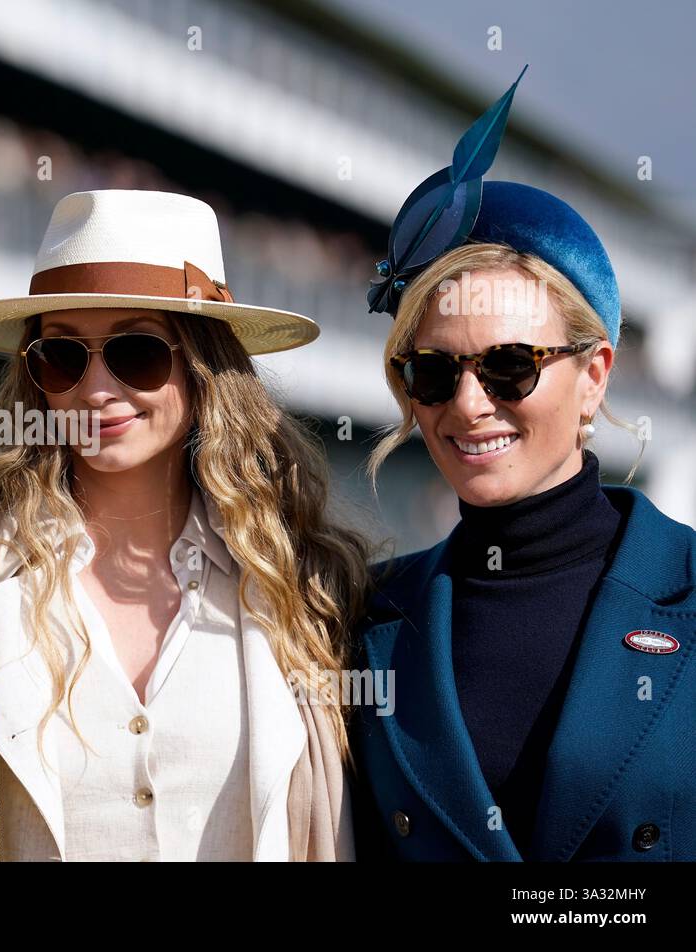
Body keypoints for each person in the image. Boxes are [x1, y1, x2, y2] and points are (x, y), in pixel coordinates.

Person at [0, 189, 372, 861]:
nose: (96, 388)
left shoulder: (308, 583)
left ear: (204, 367)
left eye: (137, 353)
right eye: (63, 356)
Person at [352, 71, 696, 861]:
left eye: (510, 367)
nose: (469, 405)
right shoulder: (362, 620)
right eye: (433, 371)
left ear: (596, 375)